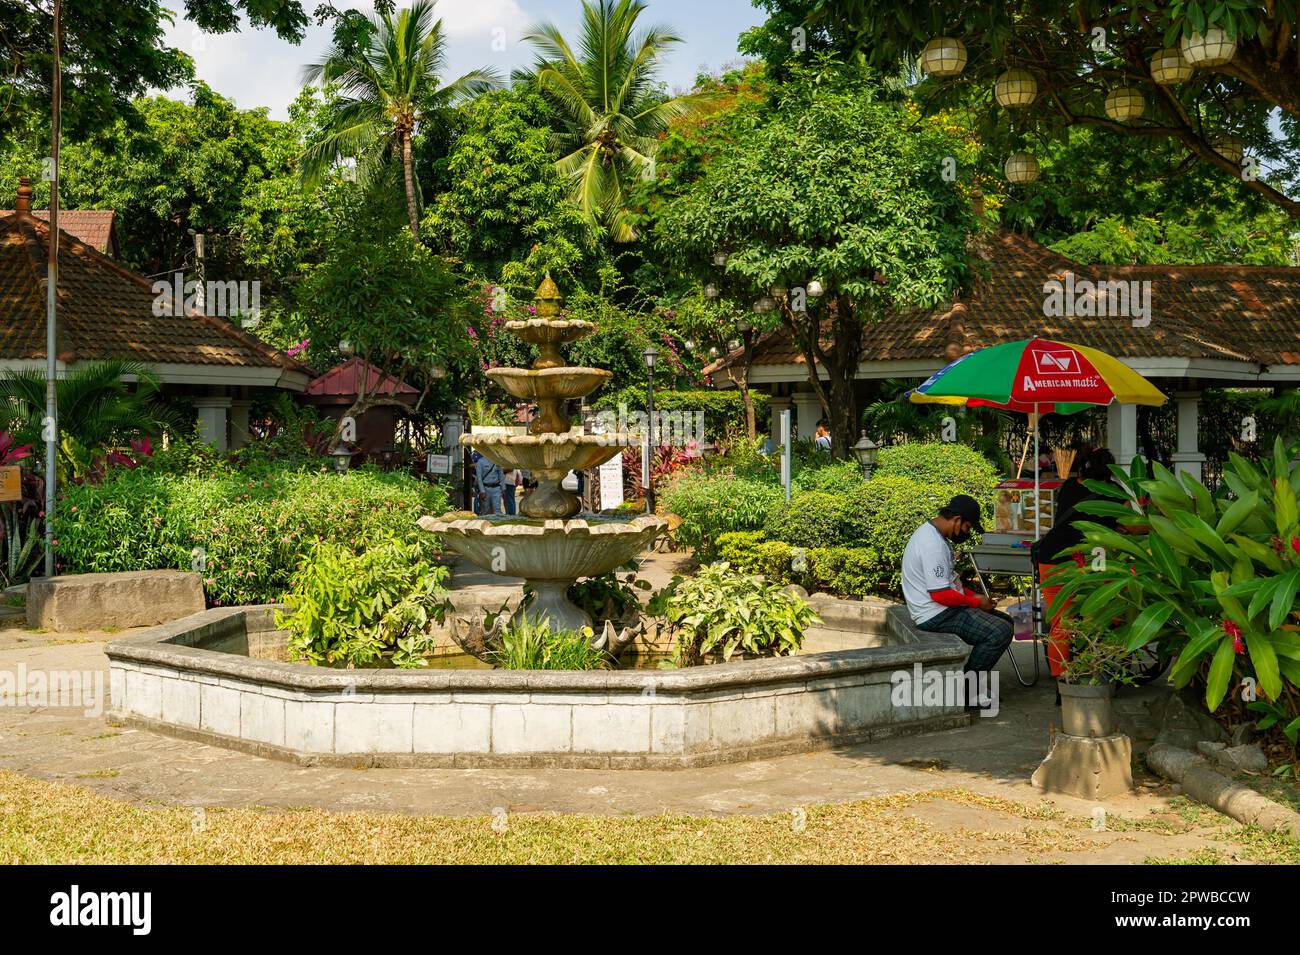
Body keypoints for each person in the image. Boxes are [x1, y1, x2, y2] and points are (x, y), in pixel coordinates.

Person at [902, 494, 1013, 682]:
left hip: (940, 609)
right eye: (967, 527)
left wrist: (975, 596)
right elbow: (940, 594)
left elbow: (950, 583)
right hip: (934, 614)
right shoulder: (933, 545)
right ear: (957, 520)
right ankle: (966, 690)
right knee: (999, 632)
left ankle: (968, 682)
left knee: (1006, 622)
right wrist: (975, 602)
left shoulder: (935, 535)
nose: (966, 532)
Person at [1033, 449, 1120, 681]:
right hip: (1092, 558)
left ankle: (1061, 678)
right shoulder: (1114, 492)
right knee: (1102, 611)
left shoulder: (1069, 486)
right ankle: (1095, 667)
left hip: (1051, 557)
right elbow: (1127, 525)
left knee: (1061, 620)